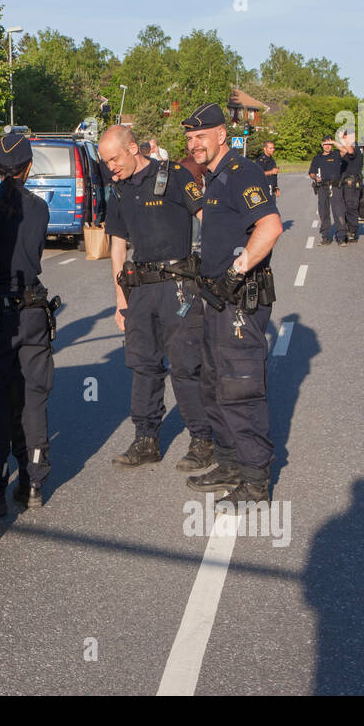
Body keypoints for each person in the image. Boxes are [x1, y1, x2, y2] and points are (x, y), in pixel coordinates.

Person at [181, 104, 283, 507]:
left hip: (239, 300)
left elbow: (270, 226)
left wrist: (235, 272)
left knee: (241, 390)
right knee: (214, 385)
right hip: (215, 299)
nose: (194, 144)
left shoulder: (244, 173)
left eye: (201, 137)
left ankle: (256, 480)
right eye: (189, 139)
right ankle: (228, 462)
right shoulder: (214, 178)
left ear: (222, 136)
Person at [98, 124, 214, 473]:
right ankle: (146, 439)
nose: (111, 167)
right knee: (143, 366)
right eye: (105, 162)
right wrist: (121, 301)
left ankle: (203, 439)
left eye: (114, 159)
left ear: (133, 148)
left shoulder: (175, 175)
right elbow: (117, 248)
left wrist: (221, 268)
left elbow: (207, 219)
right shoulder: (118, 190)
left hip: (178, 284)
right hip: (141, 288)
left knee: (186, 366)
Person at [0, 132, 55, 514]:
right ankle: (33, 483)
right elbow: (36, 253)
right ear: (28, 168)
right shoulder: (39, 208)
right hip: (32, 310)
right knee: (33, 399)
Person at [308, 136, 346, 245]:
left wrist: (334, 142)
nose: (327, 146)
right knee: (323, 212)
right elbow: (311, 173)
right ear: (322, 145)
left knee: (338, 211)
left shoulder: (336, 155)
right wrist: (316, 177)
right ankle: (326, 236)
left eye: (329, 144)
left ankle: (341, 237)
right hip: (322, 187)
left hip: (335, 186)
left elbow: (344, 150)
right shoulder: (317, 158)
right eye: (325, 144)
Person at [338, 131, 364, 244]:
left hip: (352, 183)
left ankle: (352, 231)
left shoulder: (355, 147)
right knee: (344, 207)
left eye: (344, 136)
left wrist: (339, 140)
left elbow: (350, 152)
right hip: (345, 182)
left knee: (351, 206)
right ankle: (347, 229)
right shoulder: (348, 147)